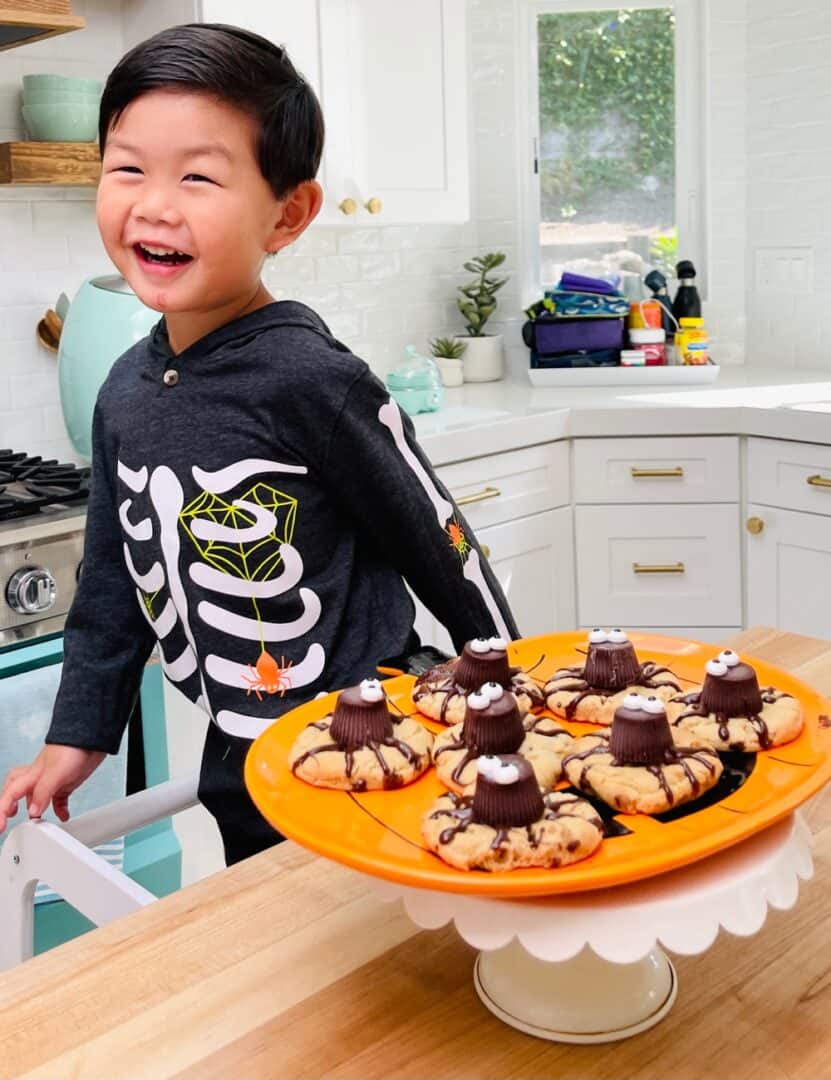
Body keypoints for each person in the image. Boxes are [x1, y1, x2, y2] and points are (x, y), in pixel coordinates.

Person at [0, 23, 518, 866]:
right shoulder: (124, 390)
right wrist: (78, 734)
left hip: (363, 738)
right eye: (127, 167)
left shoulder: (315, 380)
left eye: (198, 176)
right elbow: (110, 585)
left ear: (289, 213)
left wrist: (509, 683)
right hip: (235, 755)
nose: (154, 203)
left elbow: (438, 538)